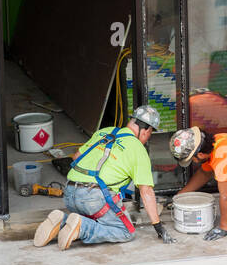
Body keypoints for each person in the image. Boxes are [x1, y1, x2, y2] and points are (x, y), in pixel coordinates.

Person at [33, 105, 177, 250]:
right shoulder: (138, 150)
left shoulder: (105, 132)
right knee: (126, 232)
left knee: (95, 216)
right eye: (150, 133)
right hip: (94, 199)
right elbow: (146, 192)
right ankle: (82, 228)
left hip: (70, 193)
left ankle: (62, 221)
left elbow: (76, 157)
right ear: (146, 131)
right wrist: (158, 227)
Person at [173, 88, 227, 198]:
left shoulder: (193, 114)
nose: (193, 162)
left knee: (220, 162)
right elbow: (205, 169)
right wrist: (180, 196)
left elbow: (207, 170)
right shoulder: (188, 110)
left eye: (192, 159)